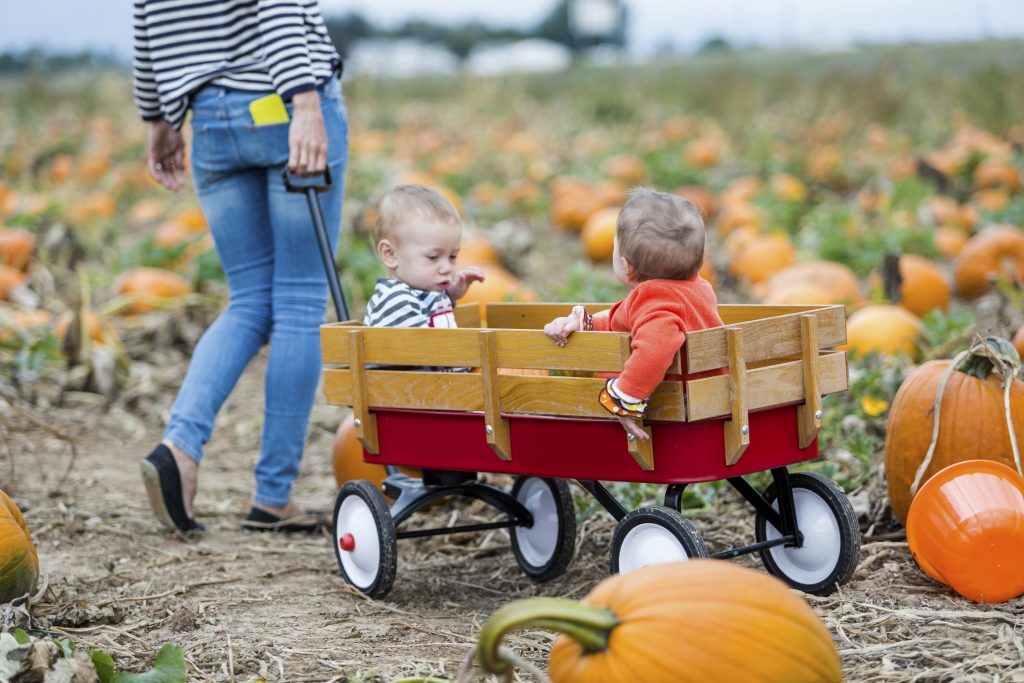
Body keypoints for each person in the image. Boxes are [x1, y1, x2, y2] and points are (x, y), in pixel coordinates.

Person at [133, 0, 348, 534]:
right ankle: (273, 495)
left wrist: (158, 117)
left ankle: (179, 449)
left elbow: (145, 21)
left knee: (249, 298)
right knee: (299, 299)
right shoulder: (296, 99)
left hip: (210, 118)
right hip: (281, 101)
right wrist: (304, 101)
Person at [544, 188, 723, 441]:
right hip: (704, 399)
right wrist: (588, 324)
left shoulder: (655, 303)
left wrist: (626, 397)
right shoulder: (695, 289)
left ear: (626, 265)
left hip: (677, 413)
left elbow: (656, 348)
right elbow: (626, 321)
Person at [363, 185, 484, 331]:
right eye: (433, 257)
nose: (446, 268)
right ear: (390, 254)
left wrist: (450, 295)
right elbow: (424, 349)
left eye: (452, 256)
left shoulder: (420, 293)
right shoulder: (397, 302)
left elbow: (434, 316)